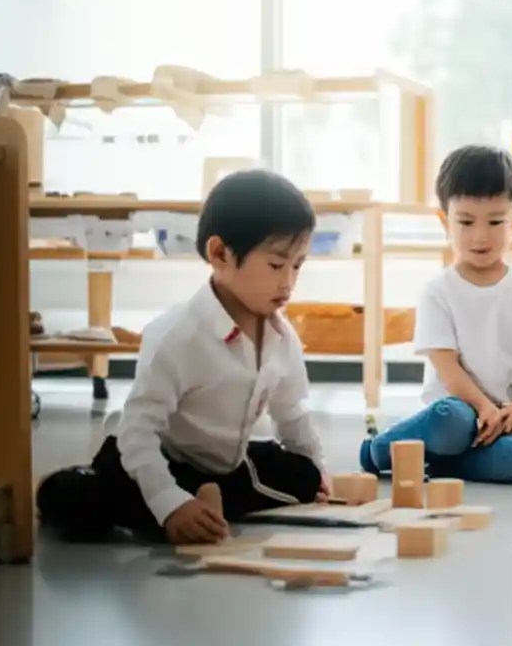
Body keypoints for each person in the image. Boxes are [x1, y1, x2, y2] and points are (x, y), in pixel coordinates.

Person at [36, 170, 328, 544]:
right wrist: (169, 501)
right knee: (83, 504)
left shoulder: (281, 336)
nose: (288, 282)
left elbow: (292, 414)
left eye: (298, 265)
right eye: (275, 265)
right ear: (220, 254)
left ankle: (205, 503)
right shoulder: (178, 334)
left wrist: (318, 469)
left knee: (304, 478)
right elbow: (138, 430)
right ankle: (63, 484)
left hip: (223, 464)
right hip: (151, 457)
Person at [358, 145, 512, 483]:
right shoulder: (439, 291)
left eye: (496, 221)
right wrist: (483, 407)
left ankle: (440, 462)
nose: (480, 236)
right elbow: (449, 370)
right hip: (460, 409)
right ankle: (380, 450)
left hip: (505, 418)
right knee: (451, 421)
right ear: (444, 220)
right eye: (466, 222)